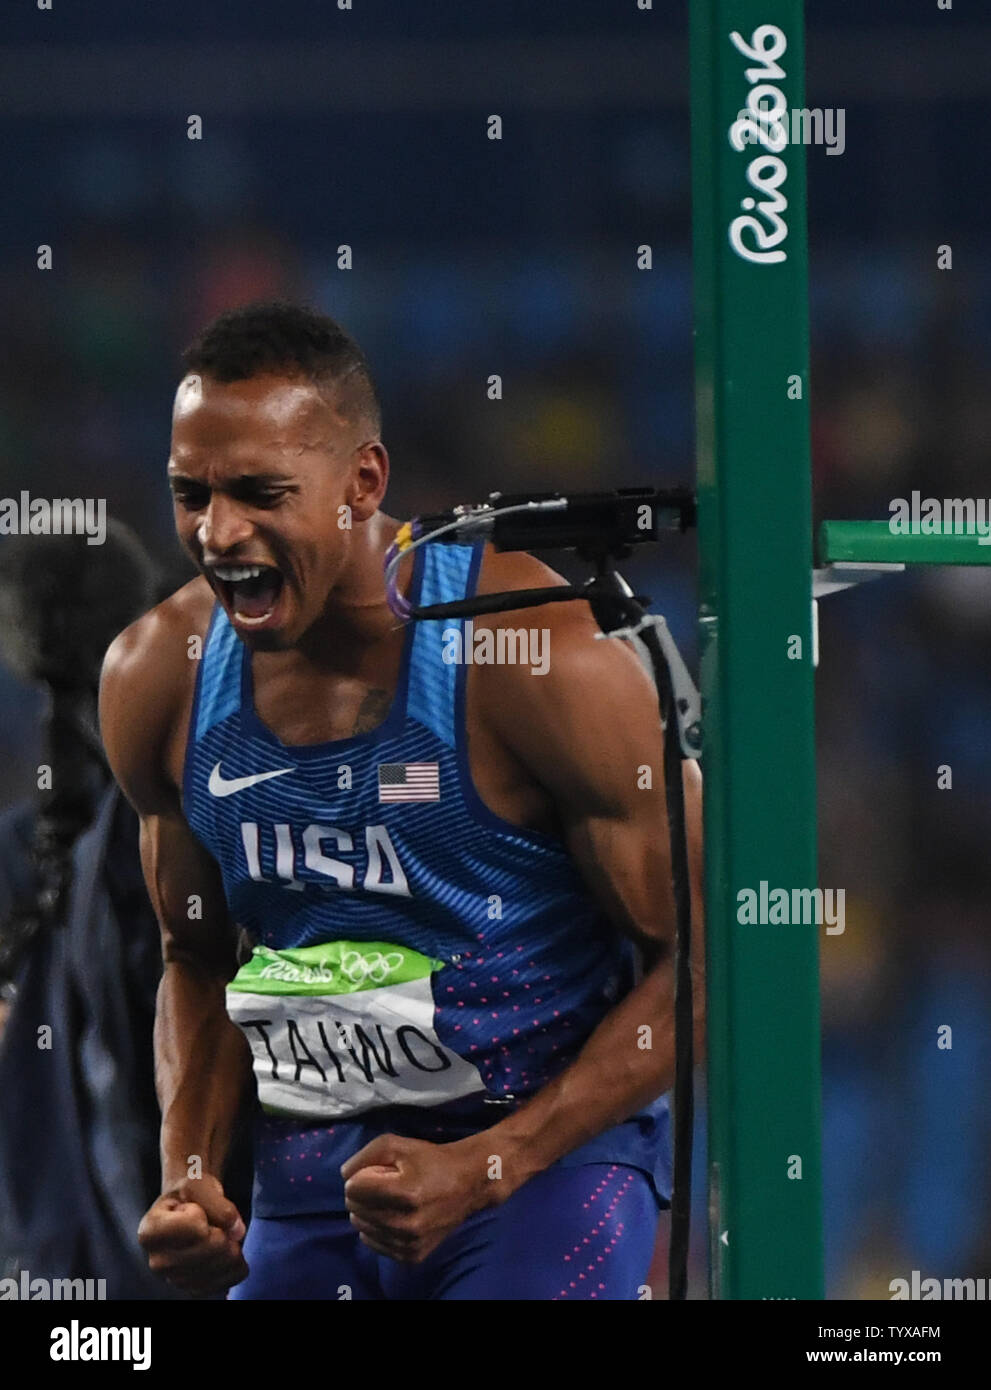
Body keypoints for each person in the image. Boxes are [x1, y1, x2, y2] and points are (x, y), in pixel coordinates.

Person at [99, 300, 705, 1300]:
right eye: (190, 493)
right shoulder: (156, 676)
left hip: (541, 1184)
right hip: (313, 1191)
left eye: (260, 493)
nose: (217, 533)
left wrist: (489, 1163)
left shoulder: (537, 658)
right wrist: (193, 1176)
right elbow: (195, 953)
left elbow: (705, 959)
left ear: (362, 483)